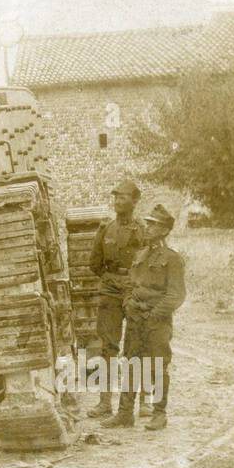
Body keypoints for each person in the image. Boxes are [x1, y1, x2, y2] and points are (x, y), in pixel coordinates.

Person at [104, 202, 186, 432]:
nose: (148, 228)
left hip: (157, 322)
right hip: (135, 319)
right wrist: (128, 304)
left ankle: (159, 414)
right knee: (131, 363)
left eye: (153, 225)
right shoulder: (140, 254)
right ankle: (125, 414)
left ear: (165, 230)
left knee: (157, 366)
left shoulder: (172, 259)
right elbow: (130, 285)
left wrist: (154, 314)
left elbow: (176, 295)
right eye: (148, 224)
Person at [87, 178, 148, 418]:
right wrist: (109, 279)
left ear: (134, 201)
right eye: (116, 197)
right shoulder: (106, 229)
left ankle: (144, 402)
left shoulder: (143, 230)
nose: (118, 202)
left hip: (135, 290)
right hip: (110, 290)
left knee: (138, 345)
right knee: (107, 346)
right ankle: (105, 403)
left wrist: (135, 282)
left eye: (123, 197)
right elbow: (94, 263)